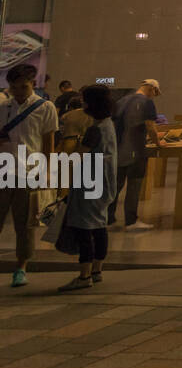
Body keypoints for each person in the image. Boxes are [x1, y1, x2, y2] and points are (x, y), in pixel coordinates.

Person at [0, 63, 59, 287]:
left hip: (29, 173)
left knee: (24, 224)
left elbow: (48, 144)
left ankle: (21, 267)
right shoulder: (3, 107)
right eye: (13, 88)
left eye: (23, 87)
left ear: (33, 84)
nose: (18, 92)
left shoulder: (45, 107)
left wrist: (49, 173)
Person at [58, 85, 118, 292]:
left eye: (85, 100)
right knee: (99, 227)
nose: (83, 104)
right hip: (105, 184)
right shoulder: (109, 125)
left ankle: (84, 275)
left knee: (84, 229)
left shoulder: (95, 130)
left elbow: (79, 156)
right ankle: (96, 271)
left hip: (89, 185)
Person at [108, 79, 162, 232]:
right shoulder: (147, 102)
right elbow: (150, 126)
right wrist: (158, 142)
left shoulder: (122, 100)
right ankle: (131, 221)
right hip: (135, 150)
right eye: (155, 93)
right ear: (151, 88)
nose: (154, 97)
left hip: (118, 151)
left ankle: (108, 218)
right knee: (134, 186)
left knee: (116, 186)